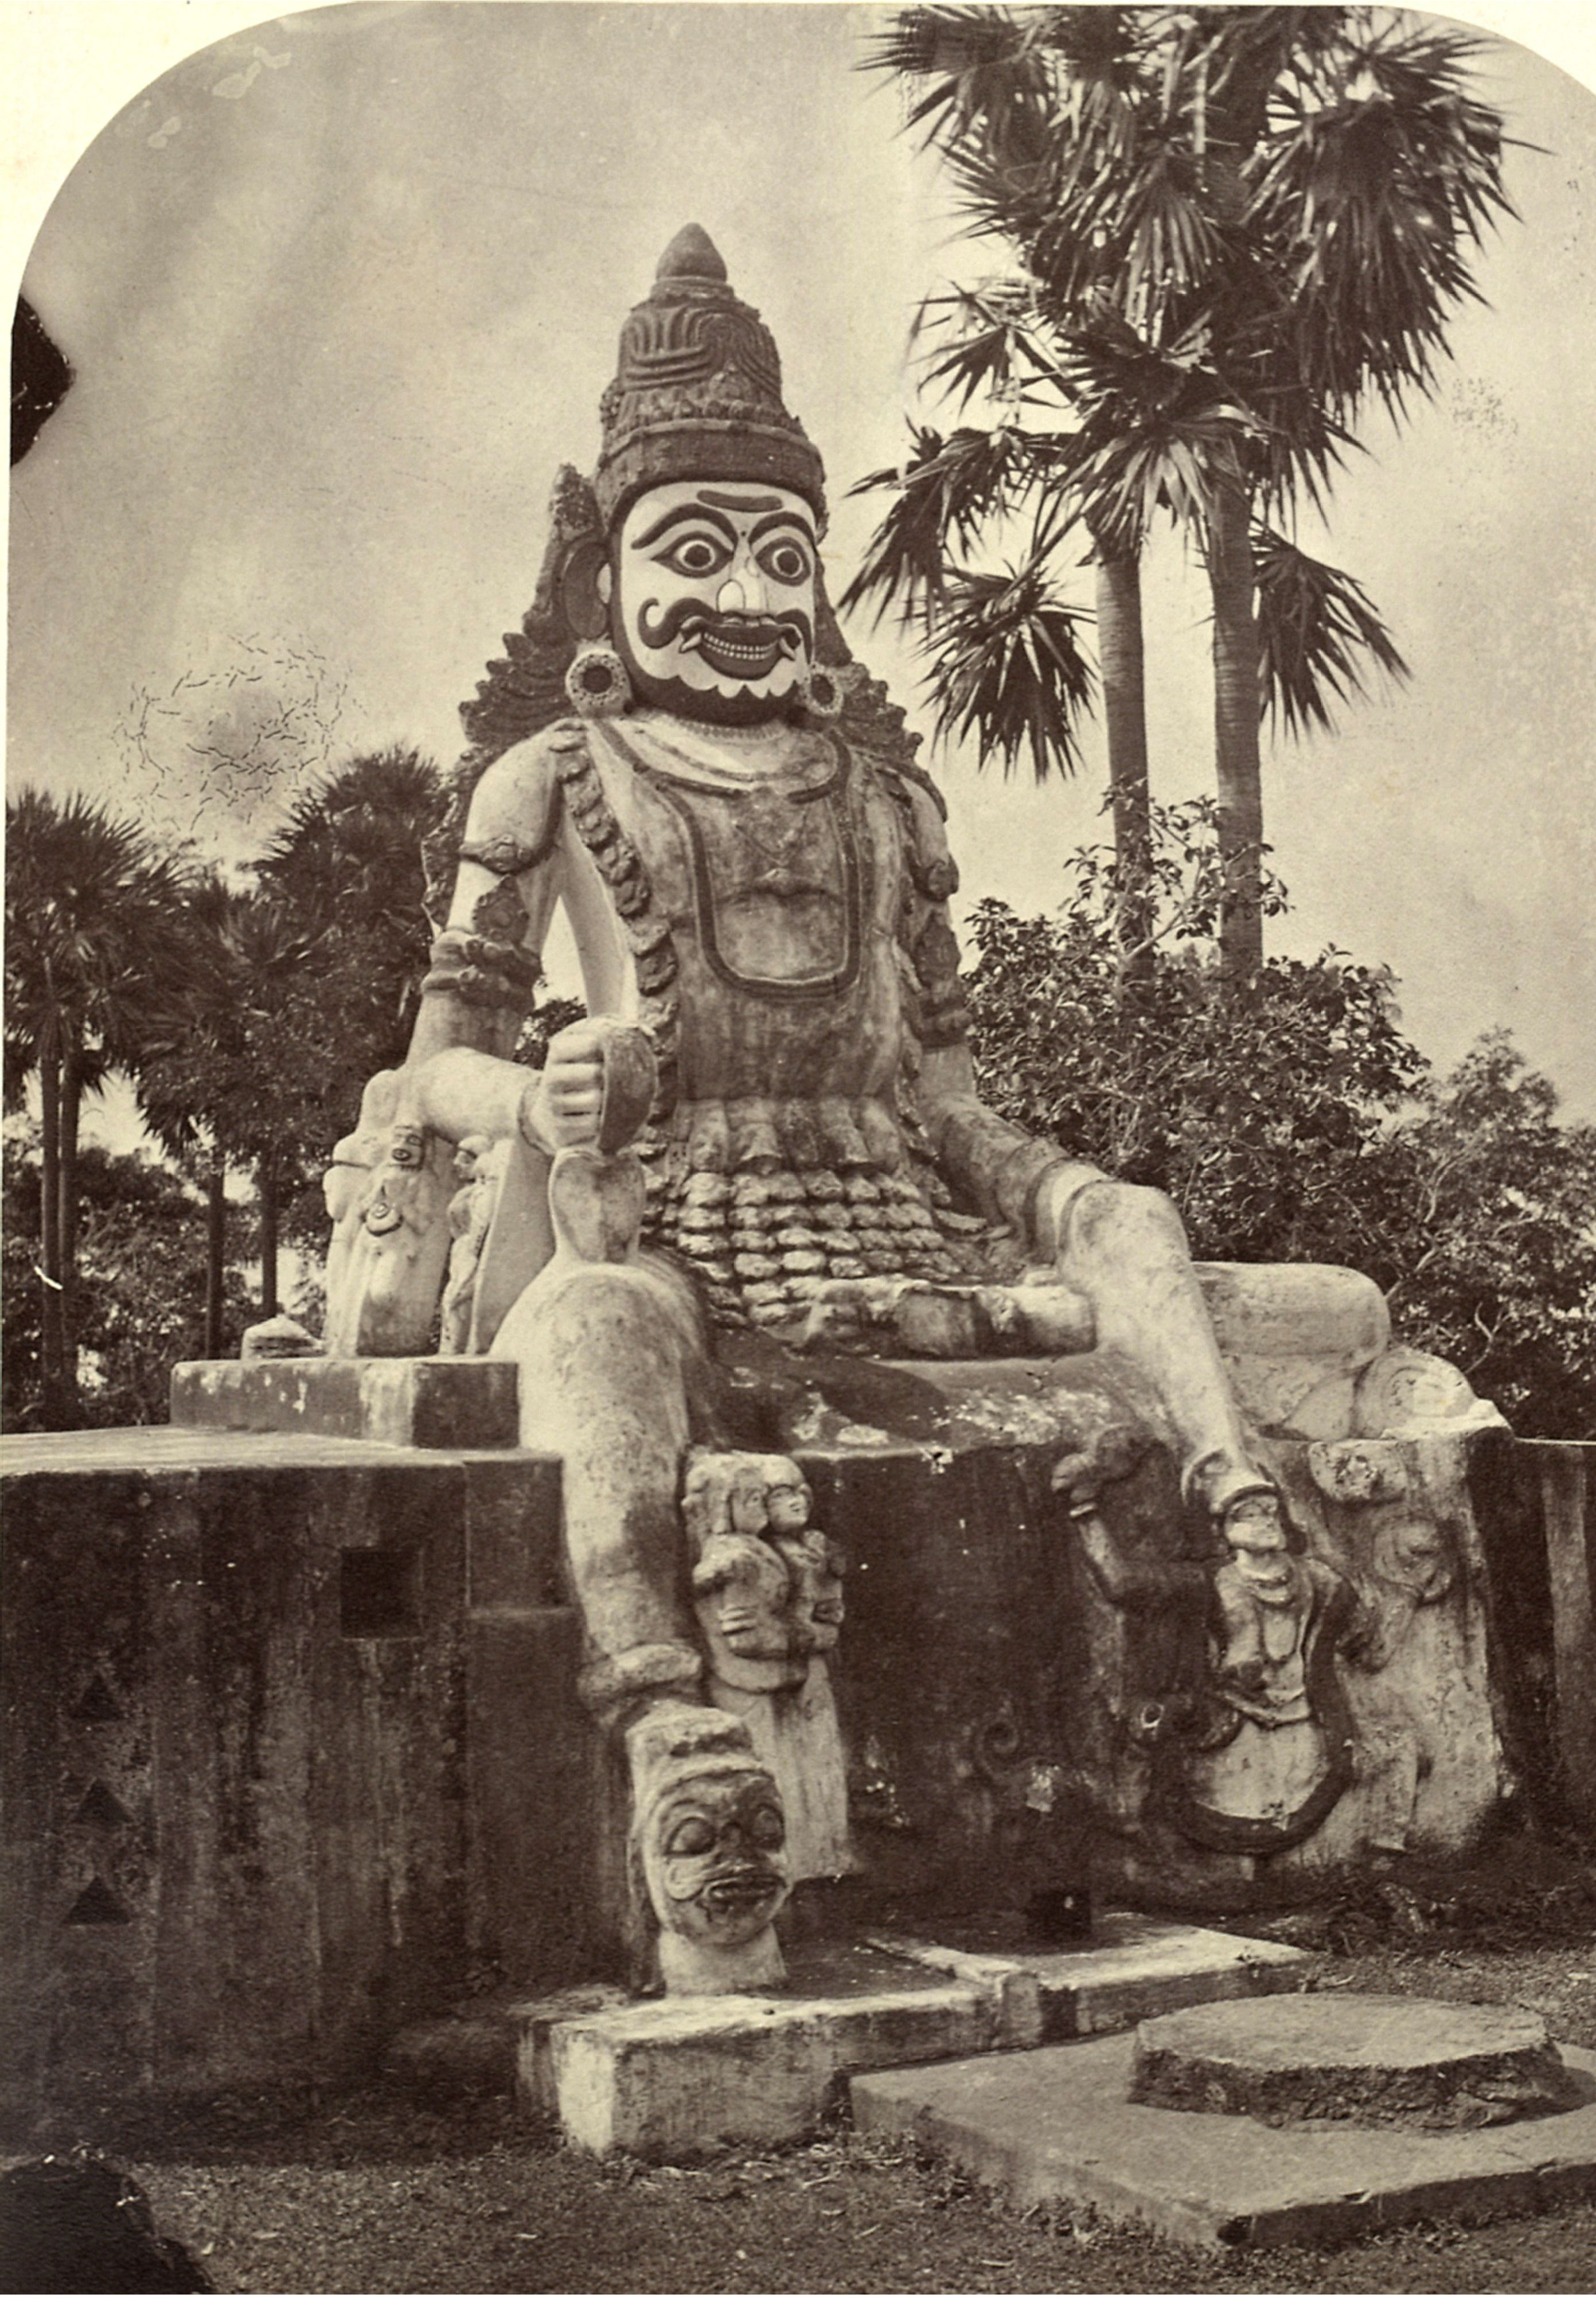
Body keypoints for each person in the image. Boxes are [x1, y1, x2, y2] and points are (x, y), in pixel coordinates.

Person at [325, 225, 1388, 1962]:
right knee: (597, 1337)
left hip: (907, 1225)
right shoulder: (545, 779)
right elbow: (429, 1061)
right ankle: (666, 1714)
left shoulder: (888, 804)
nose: (743, 599)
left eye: (777, 558)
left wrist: (1068, 1207)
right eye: (692, 553)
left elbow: (952, 1101)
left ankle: (1252, 1537)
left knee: (1180, 1240)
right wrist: (536, 1100)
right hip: (669, 1228)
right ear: (605, 580)